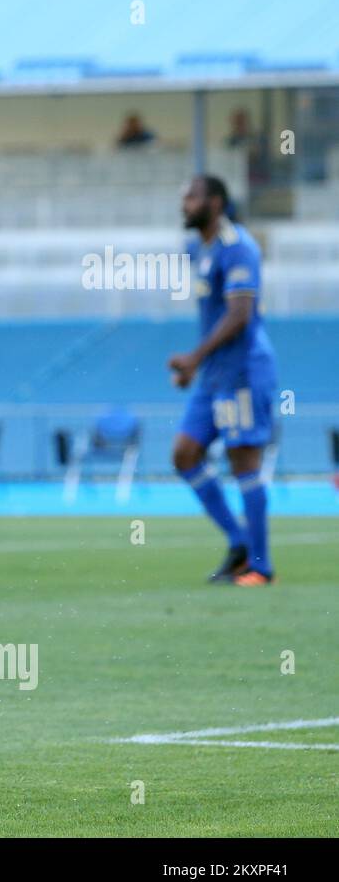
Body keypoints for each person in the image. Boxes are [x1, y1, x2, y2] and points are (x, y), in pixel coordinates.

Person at [169, 175, 276, 586]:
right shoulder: (199, 248)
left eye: (191, 197)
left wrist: (194, 358)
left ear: (215, 203)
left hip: (244, 370)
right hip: (213, 373)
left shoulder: (239, 247)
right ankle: (239, 543)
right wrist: (198, 365)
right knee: (184, 454)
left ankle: (261, 568)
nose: (184, 204)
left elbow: (239, 315)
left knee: (243, 462)